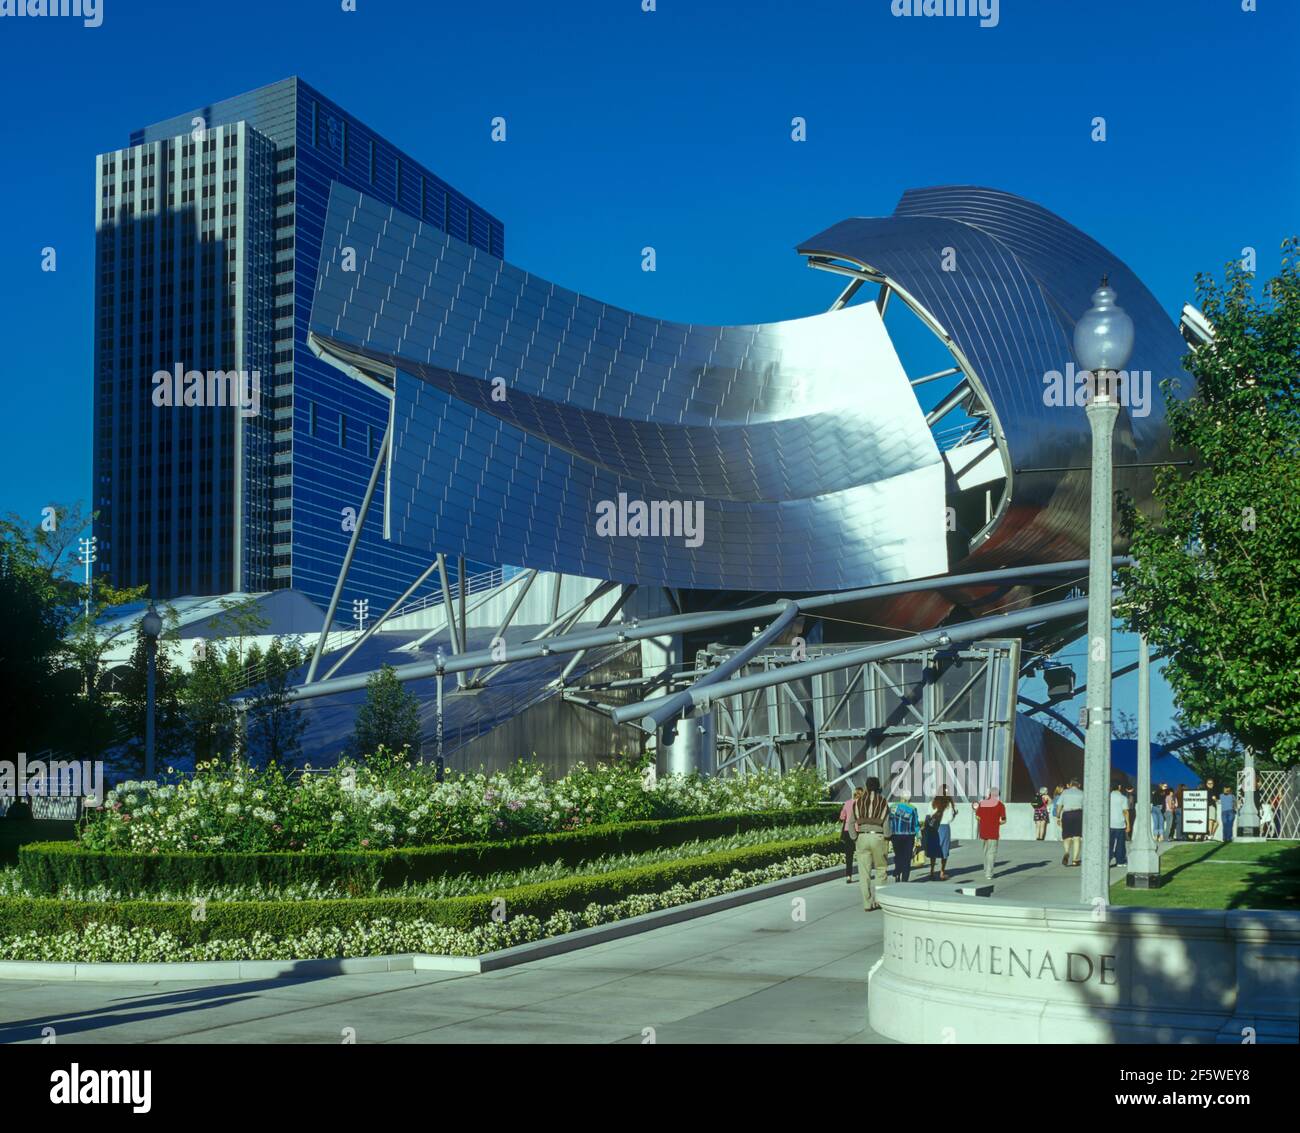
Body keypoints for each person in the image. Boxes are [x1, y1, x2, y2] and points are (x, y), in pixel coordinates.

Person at [853, 777, 892, 911]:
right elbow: (887, 822)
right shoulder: (882, 802)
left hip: (862, 837)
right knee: (881, 869)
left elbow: (851, 822)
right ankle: (879, 900)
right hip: (878, 837)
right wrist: (887, 837)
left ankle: (867, 903)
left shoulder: (858, 802)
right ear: (878, 787)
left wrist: (855, 837)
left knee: (864, 873)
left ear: (866, 787)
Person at [925, 790, 959, 880]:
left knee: (933, 849)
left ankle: (932, 871)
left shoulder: (932, 803)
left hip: (934, 828)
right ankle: (942, 872)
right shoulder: (949, 804)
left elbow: (928, 817)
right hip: (944, 828)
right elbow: (951, 818)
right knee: (944, 849)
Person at [975, 787, 1006, 880]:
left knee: (985, 851)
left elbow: (977, 817)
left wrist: (984, 821)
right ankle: (989, 873)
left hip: (984, 831)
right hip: (993, 832)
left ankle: (985, 870)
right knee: (992, 852)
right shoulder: (1000, 805)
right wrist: (997, 823)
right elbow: (1003, 820)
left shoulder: (982, 803)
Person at [890, 790, 920, 882]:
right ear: (909, 798)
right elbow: (916, 824)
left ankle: (897, 871)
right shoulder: (912, 809)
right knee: (907, 858)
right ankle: (904, 880)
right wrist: (918, 837)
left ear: (901, 797)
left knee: (898, 855)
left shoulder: (893, 806)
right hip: (908, 836)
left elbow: (889, 821)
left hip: (895, 835)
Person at [1057, 778, 1085, 866]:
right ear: (1079, 785)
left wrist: (1058, 817)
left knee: (1067, 836)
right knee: (1077, 837)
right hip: (1078, 814)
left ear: (1070, 784)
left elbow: (1059, 805)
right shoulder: (1082, 793)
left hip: (1067, 814)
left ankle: (1066, 852)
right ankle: (1075, 859)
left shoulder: (1065, 792)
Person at [838, 788, 863, 883]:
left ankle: (848, 876)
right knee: (861, 854)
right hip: (859, 831)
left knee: (849, 855)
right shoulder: (863, 804)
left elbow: (842, 817)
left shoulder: (847, 803)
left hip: (847, 830)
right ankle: (863, 873)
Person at [1109, 782, 1130, 867]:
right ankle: (1120, 861)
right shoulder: (1123, 798)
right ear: (1119, 786)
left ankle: (1107, 859)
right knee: (1120, 843)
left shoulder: (1108, 797)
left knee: (1109, 843)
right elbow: (1125, 811)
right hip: (1119, 823)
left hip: (1109, 823)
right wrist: (1128, 824)